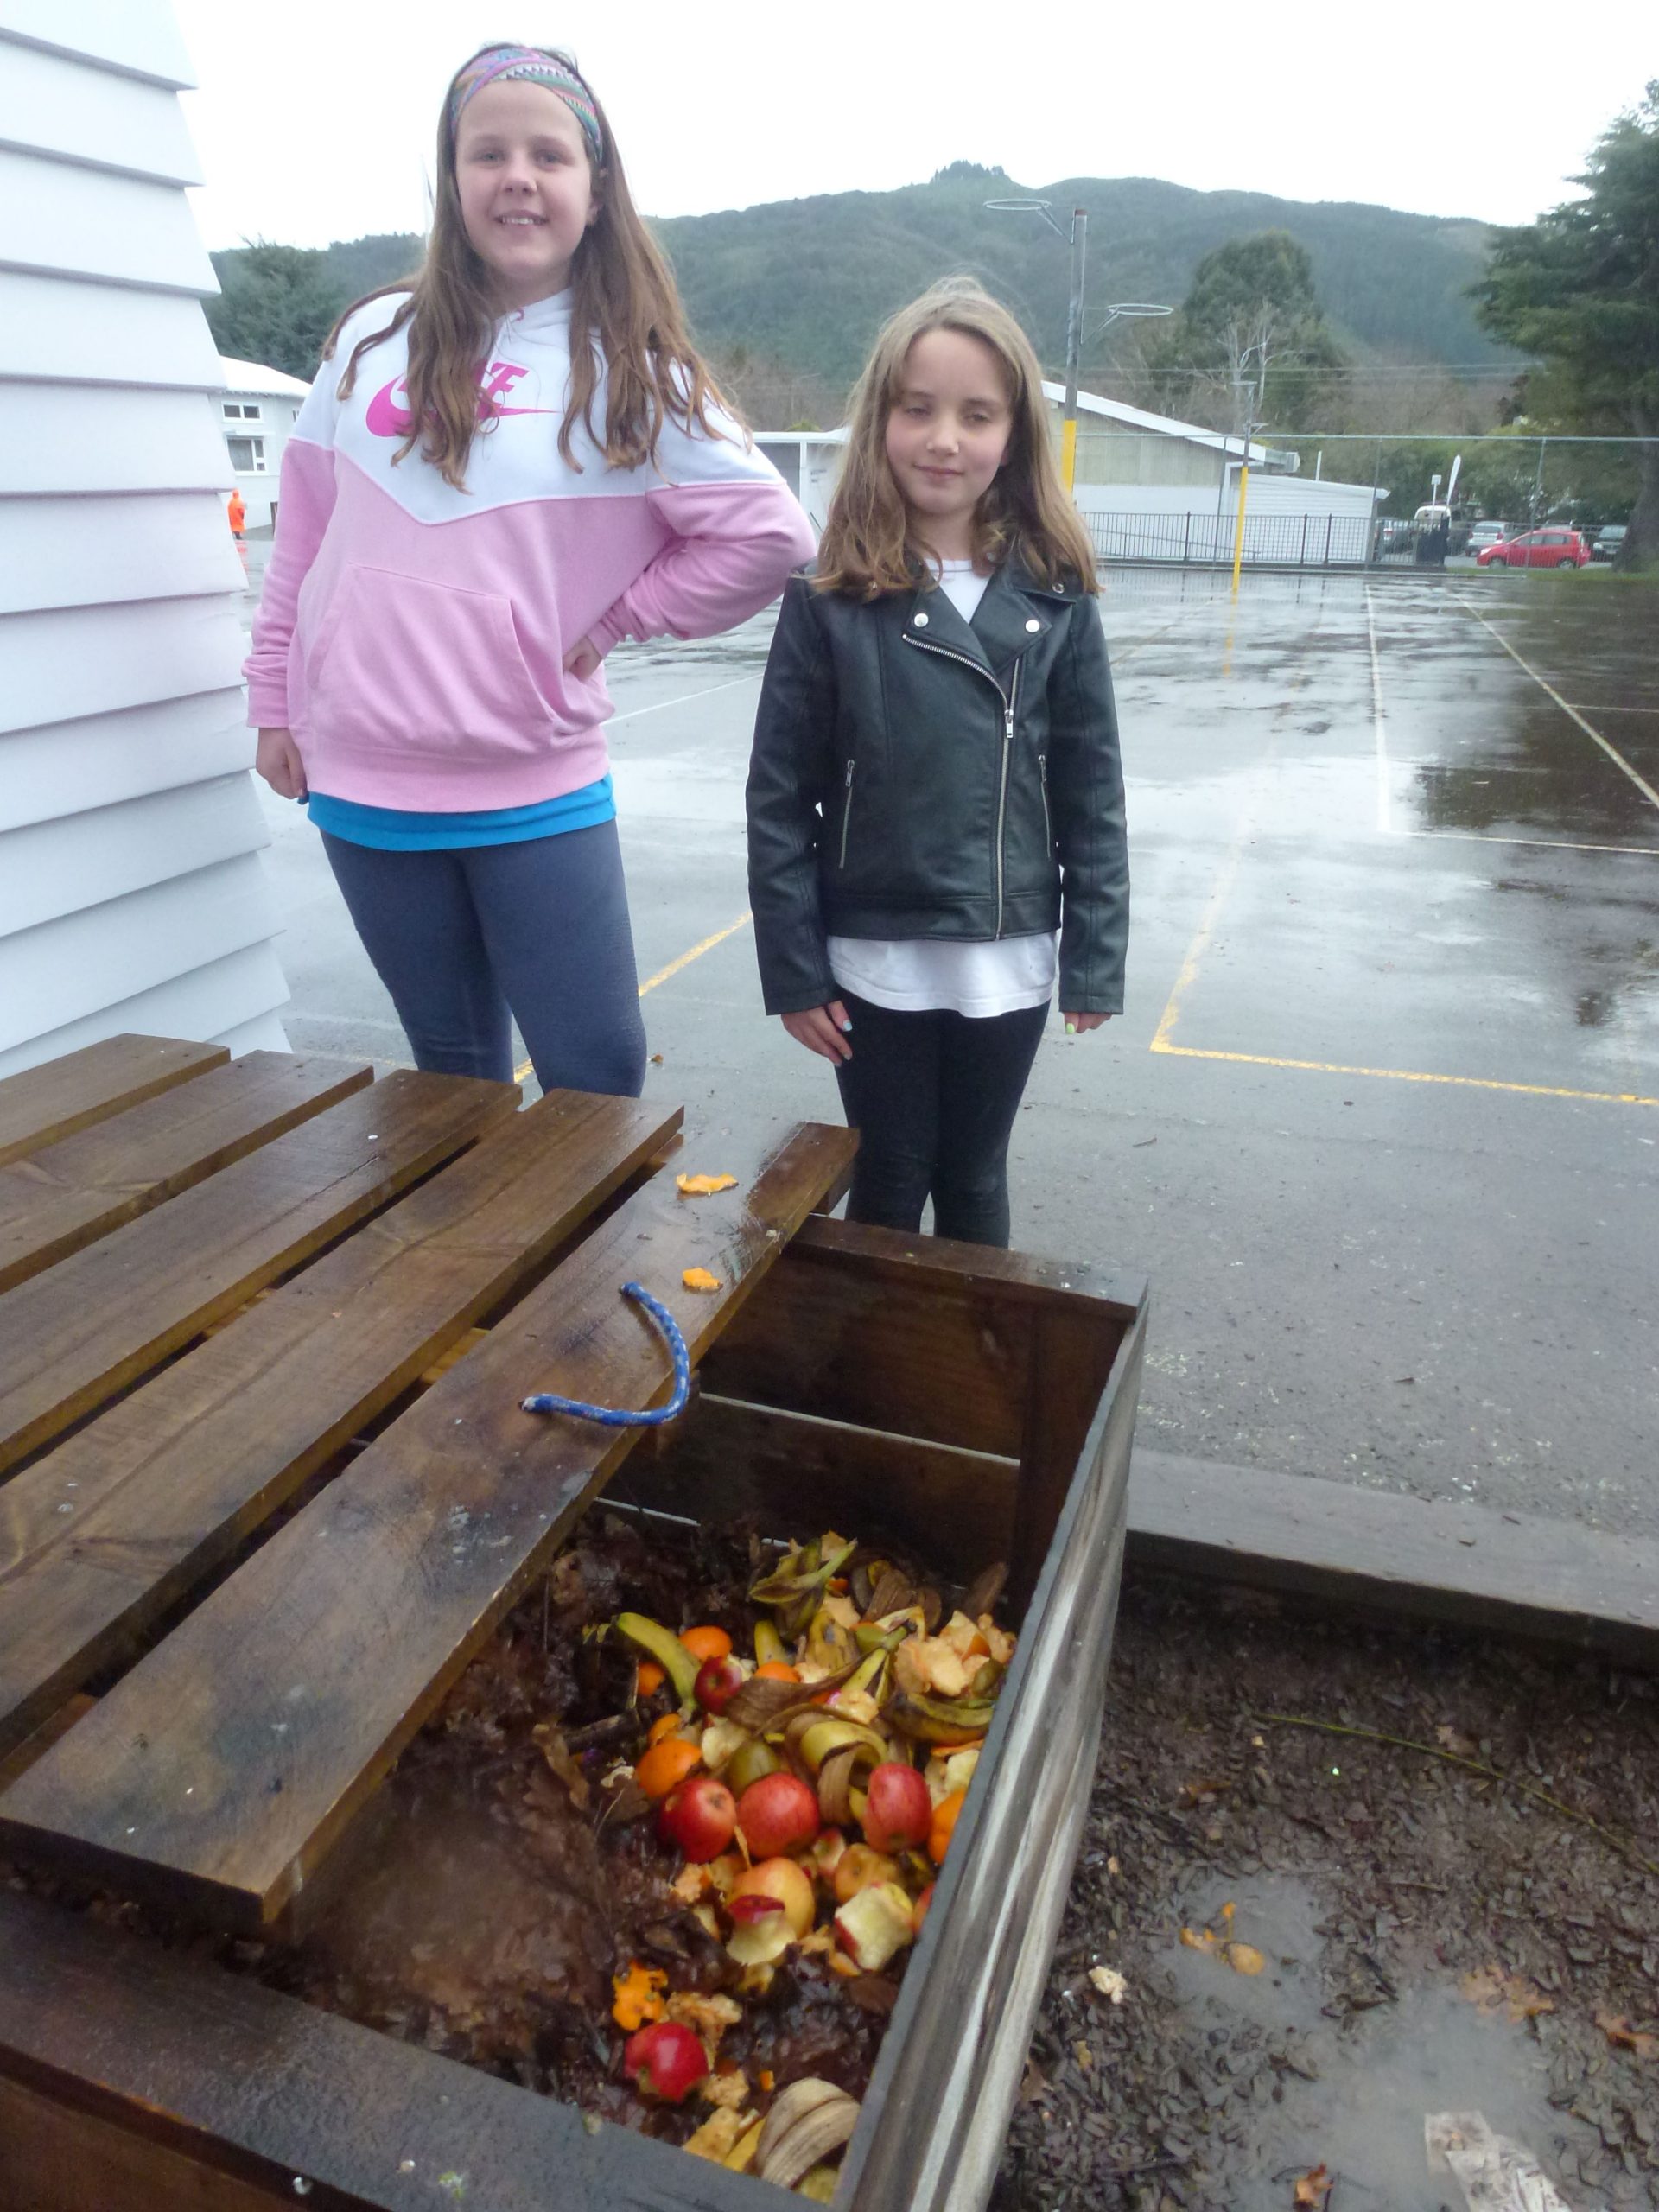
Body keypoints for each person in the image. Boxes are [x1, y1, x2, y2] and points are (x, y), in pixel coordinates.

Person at [245, 44, 813, 1096]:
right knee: (450, 1077)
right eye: (488, 153)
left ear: (595, 191)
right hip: (363, 780)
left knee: (595, 1077)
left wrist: (617, 619)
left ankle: (588, 1225)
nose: (517, 176)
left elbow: (771, 536)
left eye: (548, 155)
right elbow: (303, 541)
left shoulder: (634, 373)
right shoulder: (370, 339)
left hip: (533, 785)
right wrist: (273, 701)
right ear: (450, 178)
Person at [746, 280, 1128, 1249]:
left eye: (976, 414)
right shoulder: (827, 596)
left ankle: (968, 1347)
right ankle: (878, 1346)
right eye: (917, 408)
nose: (943, 439)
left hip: (1009, 950)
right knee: (888, 1172)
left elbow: (1092, 792)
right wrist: (794, 969)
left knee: (974, 1176)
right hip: (873, 951)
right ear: (880, 420)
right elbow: (780, 798)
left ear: (1016, 434)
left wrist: (1096, 956)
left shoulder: (1058, 598)